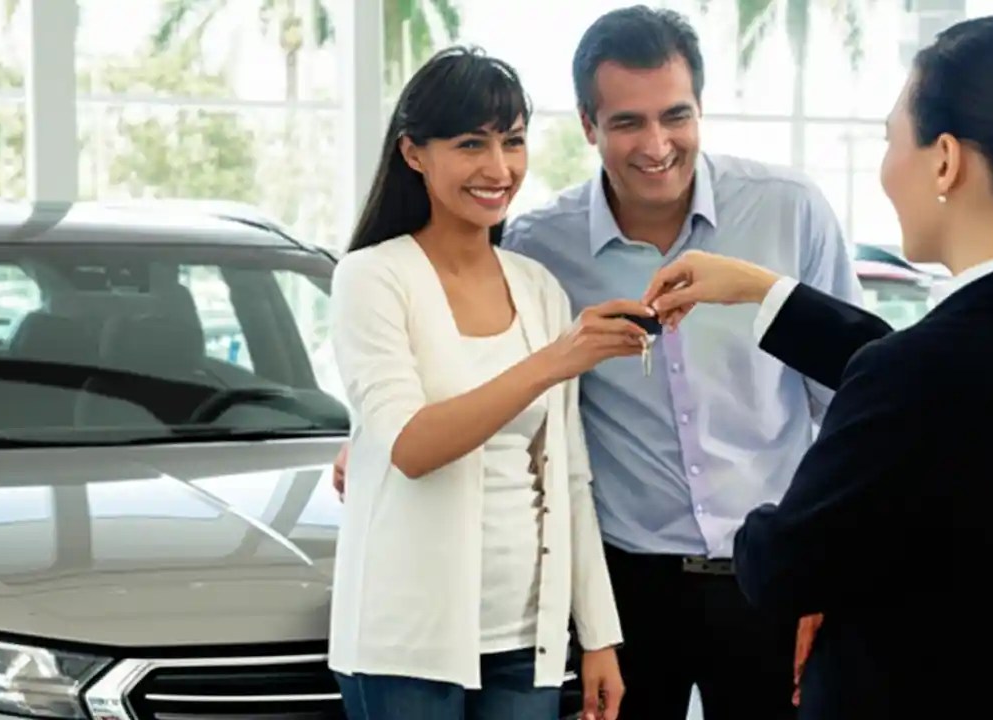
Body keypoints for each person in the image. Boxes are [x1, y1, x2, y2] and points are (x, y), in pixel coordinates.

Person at [335, 7, 862, 717]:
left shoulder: (790, 212)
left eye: (675, 116)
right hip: (627, 587)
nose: (657, 144)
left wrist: (831, 571)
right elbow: (464, 363)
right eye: (626, 123)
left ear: (701, 108)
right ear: (588, 125)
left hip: (768, 576)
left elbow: (855, 407)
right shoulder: (536, 247)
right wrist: (372, 434)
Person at [642, 15, 993, 720]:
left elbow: (785, 565)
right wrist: (765, 290)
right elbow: (930, 389)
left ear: (945, 159)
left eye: (890, 138)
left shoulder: (923, 375)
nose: (887, 166)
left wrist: (749, 503)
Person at [327, 46, 643, 720]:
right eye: (472, 144)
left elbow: (570, 480)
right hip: (404, 644)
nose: (499, 169)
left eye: (514, 141)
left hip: (526, 640)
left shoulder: (538, 288)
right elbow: (412, 446)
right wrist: (554, 361)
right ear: (415, 153)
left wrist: (599, 636)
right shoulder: (372, 278)